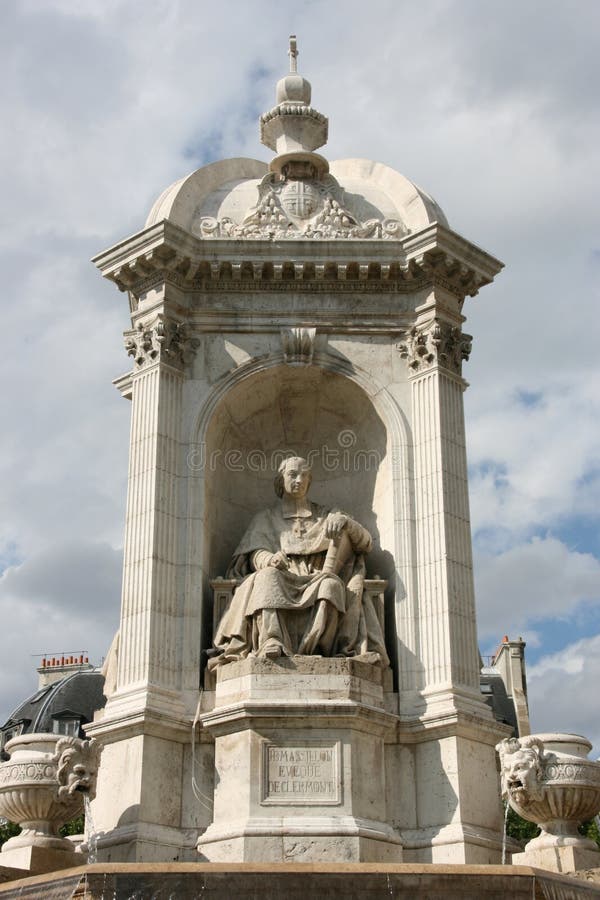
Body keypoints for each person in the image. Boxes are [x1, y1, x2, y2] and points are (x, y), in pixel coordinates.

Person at [209, 456, 389, 667]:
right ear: (281, 480)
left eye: (304, 475)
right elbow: (253, 553)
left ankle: (322, 650)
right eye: (293, 474)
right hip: (282, 575)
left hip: (318, 577)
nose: (299, 480)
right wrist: (269, 559)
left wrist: (346, 523)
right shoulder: (265, 518)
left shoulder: (327, 515)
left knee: (330, 586)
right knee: (266, 578)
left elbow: (365, 543)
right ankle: (271, 640)